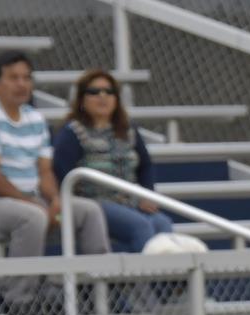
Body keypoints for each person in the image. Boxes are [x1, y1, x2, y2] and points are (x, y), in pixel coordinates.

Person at [0, 51, 109, 313]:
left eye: (27, 78)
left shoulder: (35, 118)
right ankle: (19, 300)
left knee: (87, 212)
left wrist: (54, 200)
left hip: (29, 200)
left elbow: (45, 172)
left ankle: (95, 290)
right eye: (13, 78)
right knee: (33, 217)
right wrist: (35, 204)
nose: (22, 84)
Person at [51, 70, 176, 254]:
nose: (103, 96)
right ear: (81, 98)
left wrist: (147, 195)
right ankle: (137, 281)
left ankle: (167, 282)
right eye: (94, 91)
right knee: (140, 227)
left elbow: (146, 165)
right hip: (94, 203)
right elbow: (61, 173)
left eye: (109, 92)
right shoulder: (72, 133)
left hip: (129, 200)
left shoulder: (128, 129)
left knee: (163, 224)